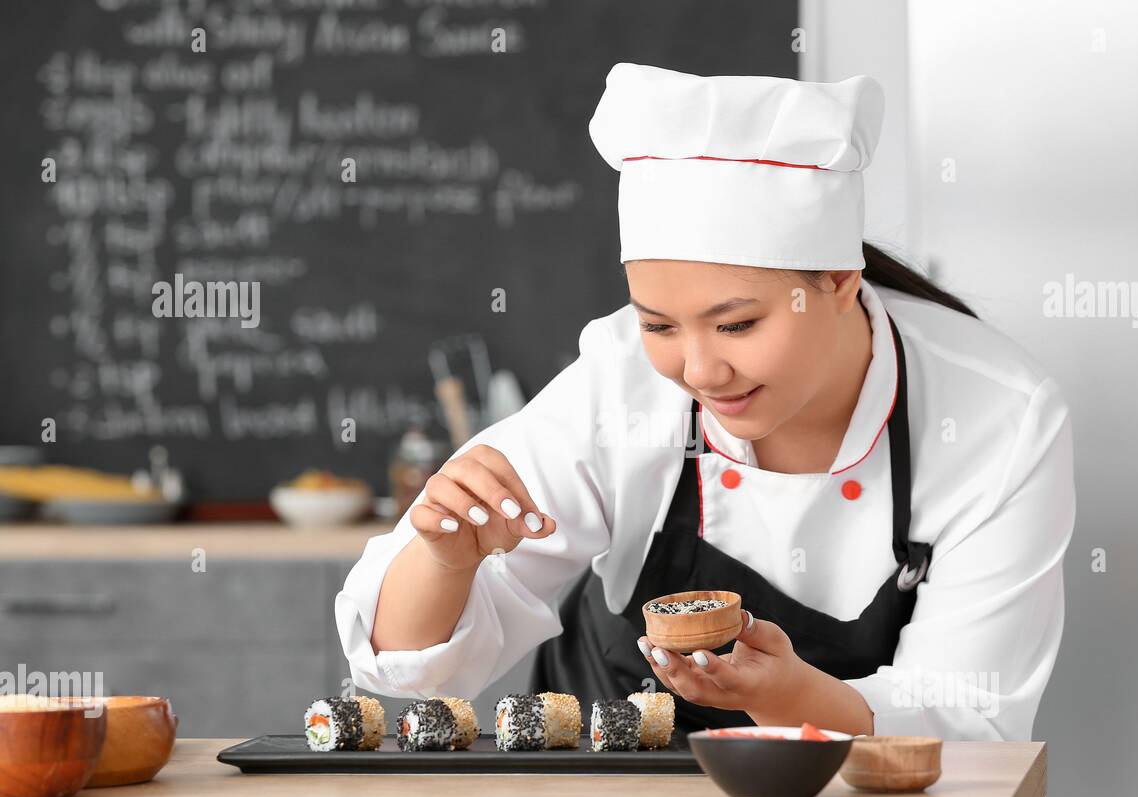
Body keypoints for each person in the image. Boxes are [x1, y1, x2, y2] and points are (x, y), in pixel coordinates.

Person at [336, 63, 1077, 740]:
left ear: (841, 281)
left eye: (737, 324)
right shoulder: (622, 378)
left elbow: (974, 721)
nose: (699, 370)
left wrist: (789, 696)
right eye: (658, 324)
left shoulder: (999, 417)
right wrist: (444, 559)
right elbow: (407, 665)